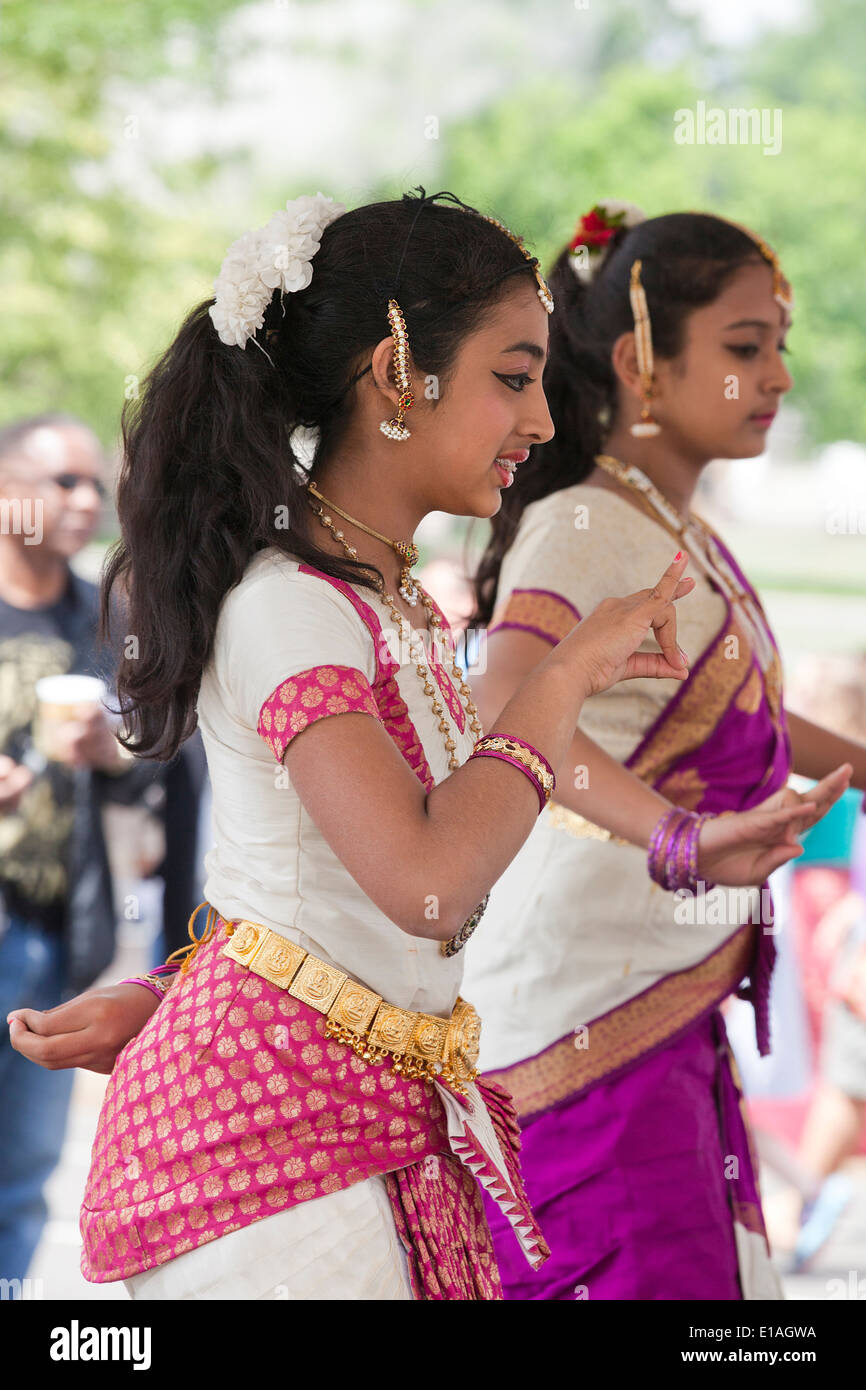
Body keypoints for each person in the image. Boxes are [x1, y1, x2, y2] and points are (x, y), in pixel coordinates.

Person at [8, 190, 827, 1301]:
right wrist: (561, 679)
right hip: (271, 1158)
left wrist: (162, 997)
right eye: (510, 375)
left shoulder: (385, 604)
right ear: (395, 374)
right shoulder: (290, 605)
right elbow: (429, 889)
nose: (539, 420)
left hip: (377, 1123)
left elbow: (304, 883)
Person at [462, 203, 862, 1300]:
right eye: (744, 347)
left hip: (661, 1000)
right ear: (642, 361)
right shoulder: (588, 523)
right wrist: (677, 838)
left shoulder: (672, 525)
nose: (775, 375)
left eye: (777, 344)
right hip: (584, 1020)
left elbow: (752, 721)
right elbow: (509, 697)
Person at [0, 413, 162, 1287]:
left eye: (95, 484)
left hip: (60, 932)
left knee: (24, 1175)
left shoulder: (104, 619)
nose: (86, 501)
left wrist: (117, 757)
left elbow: (155, 774)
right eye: (62, 481)